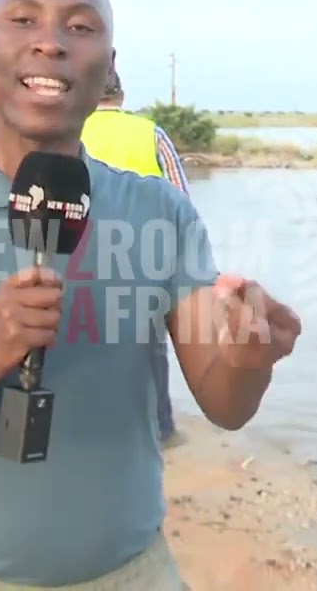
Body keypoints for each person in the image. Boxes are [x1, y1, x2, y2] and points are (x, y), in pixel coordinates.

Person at [0, 0, 302, 591]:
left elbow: (224, 408)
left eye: (81, 28)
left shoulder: (162, 215)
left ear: (109, 66)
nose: (51, 43)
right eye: (23, 19)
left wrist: (252, 358)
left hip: (134, 573)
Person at [81, 69, 190, 448]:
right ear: (122, 97)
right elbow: (181, 199)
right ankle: (161, 430)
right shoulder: (150, 133)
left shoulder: (66, 131)